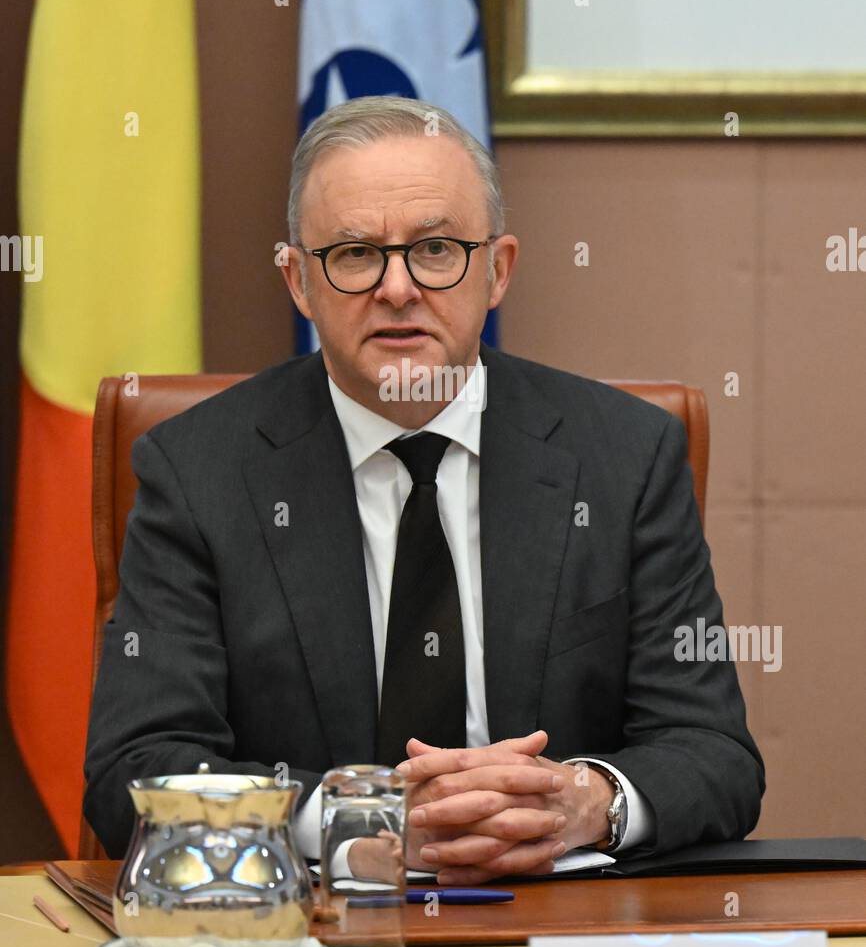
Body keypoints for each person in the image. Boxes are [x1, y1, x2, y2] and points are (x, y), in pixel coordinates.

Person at [83, 95, 764, 883]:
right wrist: (367, 830)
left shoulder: (624, 456)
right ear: (298, 281)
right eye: (354, 254)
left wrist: (584, 802)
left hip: (562, 930)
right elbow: (135, 772)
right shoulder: (198, 471)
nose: (398, 288)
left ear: (498, 269)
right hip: (314, 942)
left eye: (436, 249)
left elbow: (716, 756)